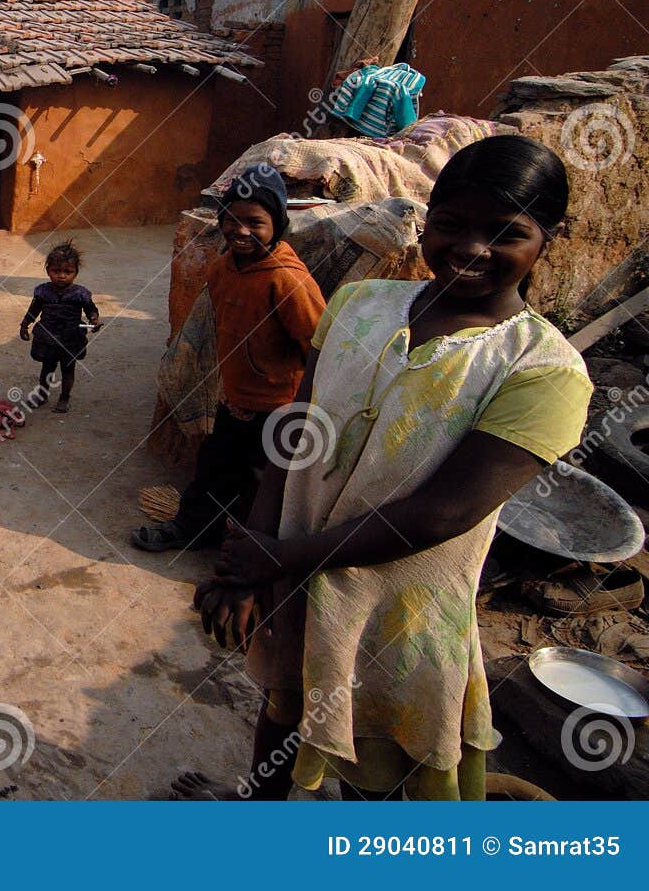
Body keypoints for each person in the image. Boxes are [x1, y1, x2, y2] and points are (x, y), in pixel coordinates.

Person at [182, 136, 592, 801]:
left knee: (380, 760)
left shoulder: (541, 368)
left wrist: (278, 557)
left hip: (401, 608)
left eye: (505, 232)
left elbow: (444, 513)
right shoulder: (359, 305)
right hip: (294, 573)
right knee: (284, 707)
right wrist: (248, 557)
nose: (470, 248)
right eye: (452, 224)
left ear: (552, 235)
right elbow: (299, 429)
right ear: (427, 219)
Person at [132, 166, 325, 550]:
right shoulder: (222, 269)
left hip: (277, 408)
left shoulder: (288, 281)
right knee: (213, 469)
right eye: (232, 220)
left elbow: (316, 344)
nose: (241, 231)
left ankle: (248, 552)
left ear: (278, 224)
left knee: (261, 482)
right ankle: (193, 528)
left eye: (255, 222)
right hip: (234, 399)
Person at [18, 241, 100, 413]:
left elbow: (91, 309)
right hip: (48, 336)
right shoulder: (43, 292)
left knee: (68, 369)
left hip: (71, 337)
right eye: (56, 271)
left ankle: (64, 398)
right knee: (47, 367)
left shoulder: (80, 294)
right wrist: (24, 325)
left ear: (76, 273)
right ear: (48, 271)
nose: (62, 276)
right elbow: (33, 311)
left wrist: (94, 319)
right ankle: (42, 394)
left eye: (67, 272)